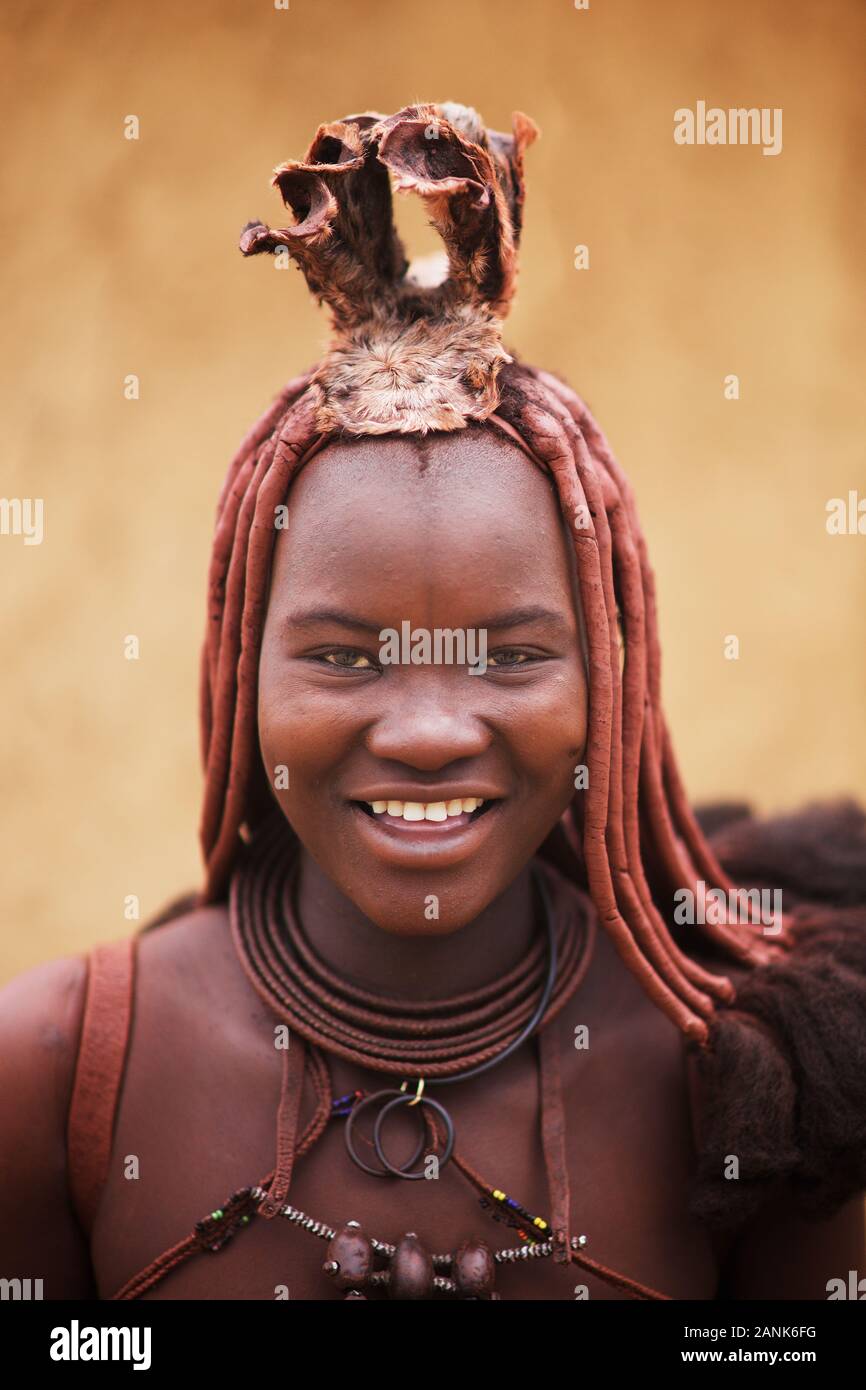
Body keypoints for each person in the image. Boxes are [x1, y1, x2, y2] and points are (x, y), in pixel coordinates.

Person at [1, 102, 865, 1302]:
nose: (422, 734)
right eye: (345, 660)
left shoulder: (756, 1084)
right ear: (239, 667)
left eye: (508, 656)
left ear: (609, 679)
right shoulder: (51, 1075)